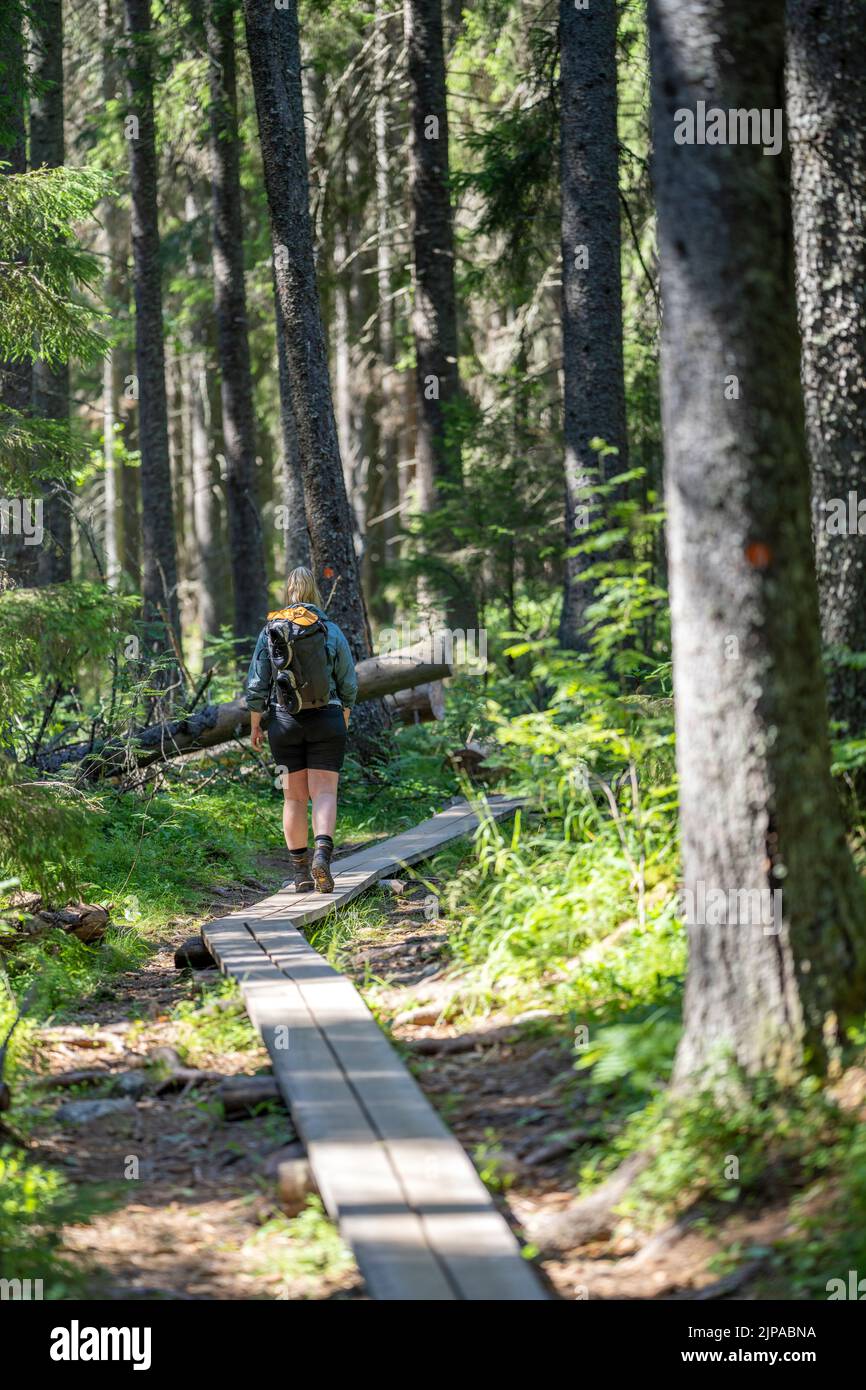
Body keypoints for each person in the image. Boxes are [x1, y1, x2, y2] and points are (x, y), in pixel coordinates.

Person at [245, 567, 357, 893]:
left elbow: (256, 685)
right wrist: (343, 718)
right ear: (314, 593)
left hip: (284, 723)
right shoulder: (330, 630)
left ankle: (300, 873)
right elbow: (348, 683)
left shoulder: (271, 631)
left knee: (292, 798)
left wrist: (256, 727)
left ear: (289, 592)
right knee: (324, 792)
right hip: (328, 718)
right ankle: (322, 854)